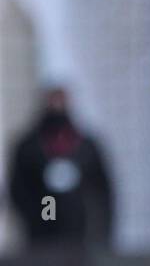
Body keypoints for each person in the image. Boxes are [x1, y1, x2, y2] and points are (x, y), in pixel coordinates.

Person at [6, 85, 114, 251]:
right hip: (40, 235)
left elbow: (103, 191)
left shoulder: (86, 146)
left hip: (80, 234)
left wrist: (101, 232)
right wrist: (33, 218)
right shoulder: (28, 147)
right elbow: (18, 189)